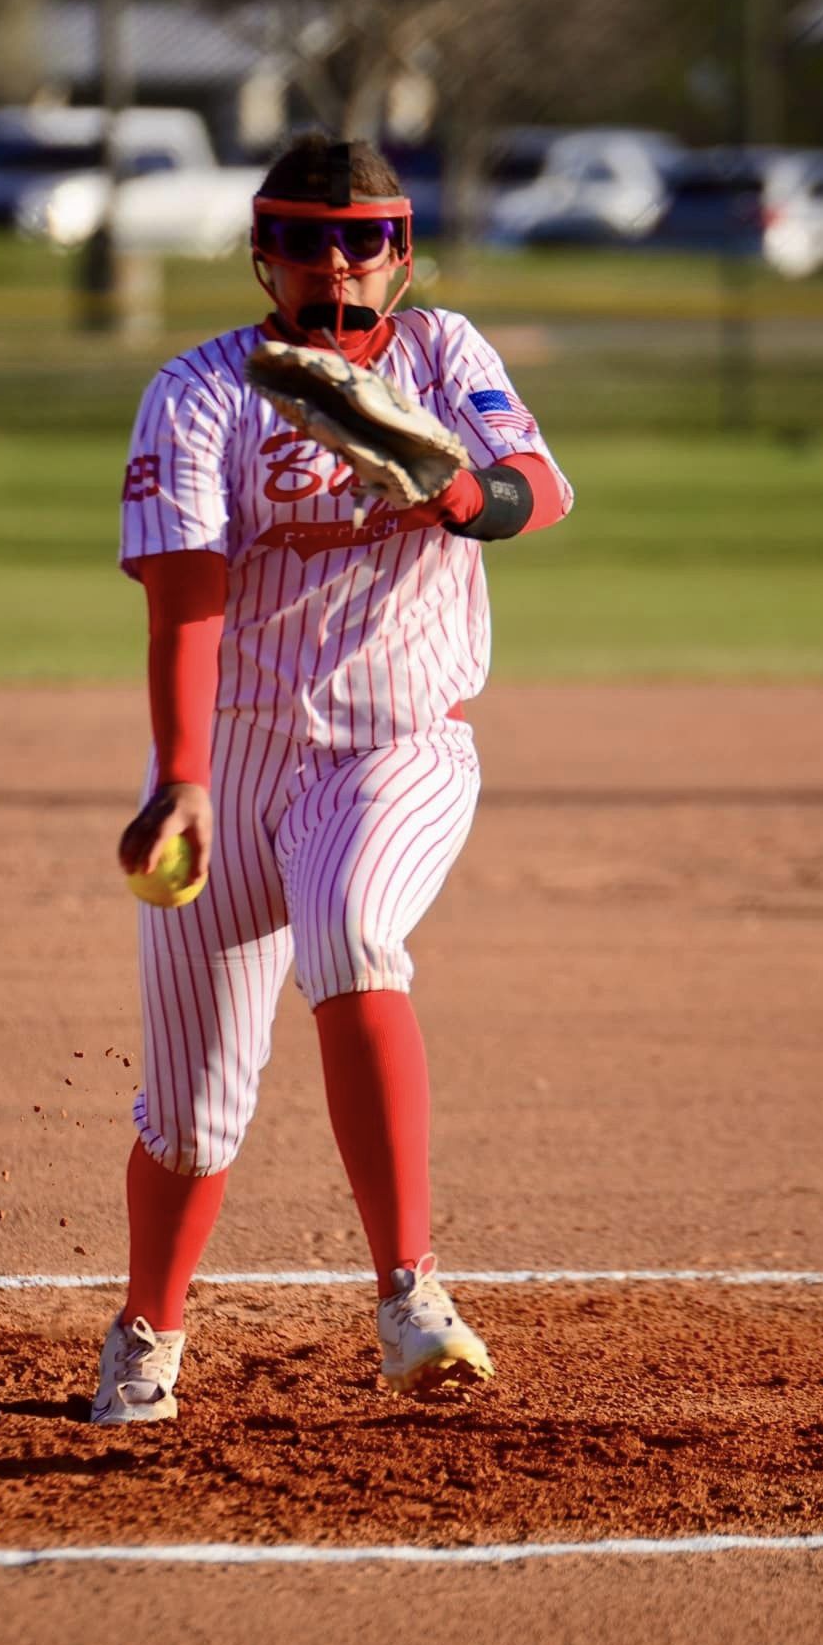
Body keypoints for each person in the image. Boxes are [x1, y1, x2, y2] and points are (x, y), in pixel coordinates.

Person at [92, 133, 573, 1424]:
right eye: (305, 236)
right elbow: (185, 600)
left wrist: (453, 489)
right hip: (232, 758)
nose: (335, 261)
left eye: (362, 238)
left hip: (398, 737)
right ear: (262, 251)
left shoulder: (443, 354)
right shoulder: (196, 394)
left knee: (356, 931)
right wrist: (183, 778)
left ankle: (411, 1294)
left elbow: (537, 492)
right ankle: (149, 1333)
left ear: (403, 255)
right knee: (193, 1117)